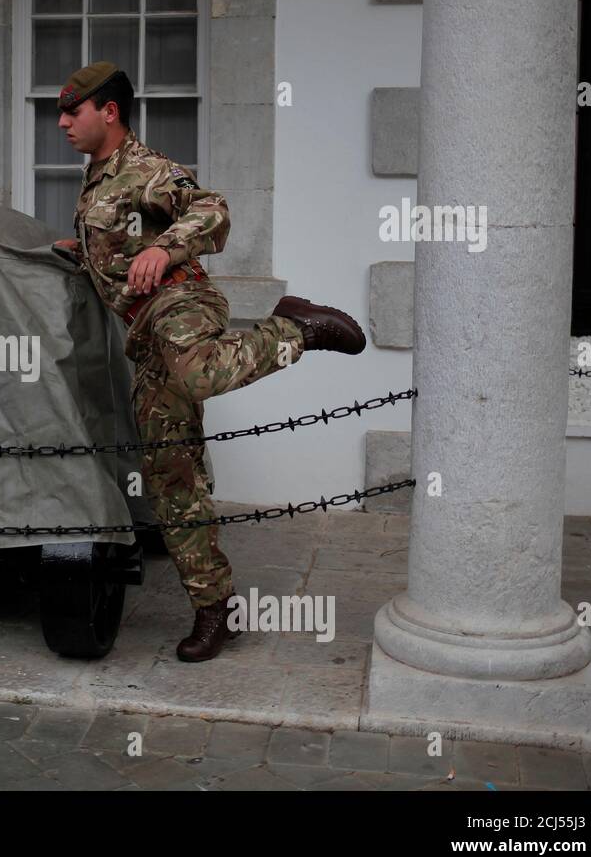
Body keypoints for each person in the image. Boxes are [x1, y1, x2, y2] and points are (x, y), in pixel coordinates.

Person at [53, 61, 366, 662]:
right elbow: (117, 246)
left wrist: (167, 246)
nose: (63, 121)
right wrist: (84, 253)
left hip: (180, 303)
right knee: (174, 482)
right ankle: (215, 613)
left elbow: (214, 210)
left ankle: (294, 327)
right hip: (145, 340)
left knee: (198, 371)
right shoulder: (95, 183)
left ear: (109, 112)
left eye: (74, 110)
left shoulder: (145, 170)